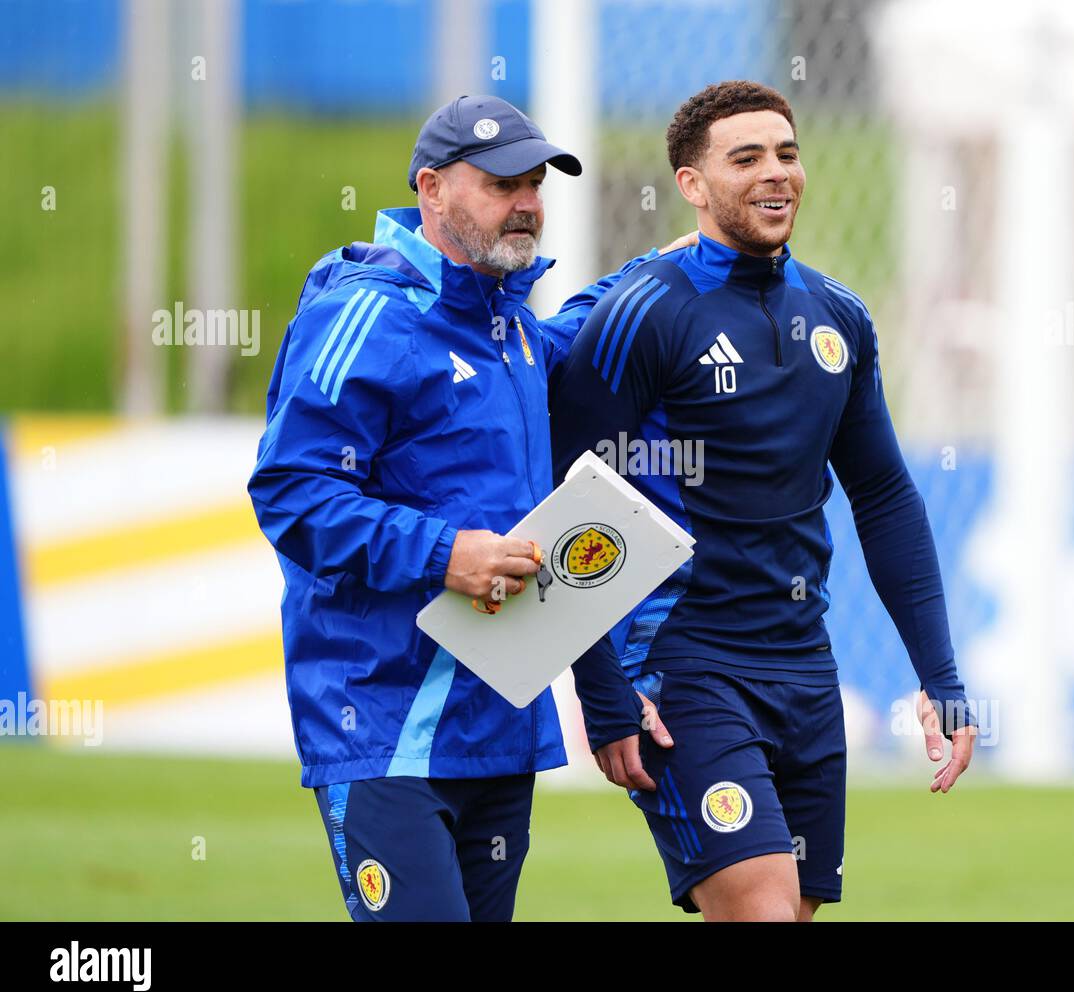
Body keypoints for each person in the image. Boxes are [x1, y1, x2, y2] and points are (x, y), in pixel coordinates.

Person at [248, 94, 688, 921]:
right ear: (431, 189)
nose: (526, 202)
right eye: (500, 183)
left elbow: (572, 334)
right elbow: (291, 491)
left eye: (534, 183)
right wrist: (446, 553)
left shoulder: (507, 326)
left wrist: (660, 271)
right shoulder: (367, 313)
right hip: (383, 723)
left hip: (497, 728)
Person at [548, 80, 978, 922]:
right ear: (692, 184)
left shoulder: (841, 317)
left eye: (786, 152)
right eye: (745, 158)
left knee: (791, 911)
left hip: (805, 666)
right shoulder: (645, 312)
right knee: (763, 913)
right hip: (683, 664)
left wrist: (940, 676)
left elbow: (884, 496)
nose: (775, 171)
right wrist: (601, 687)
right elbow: (569, 505)